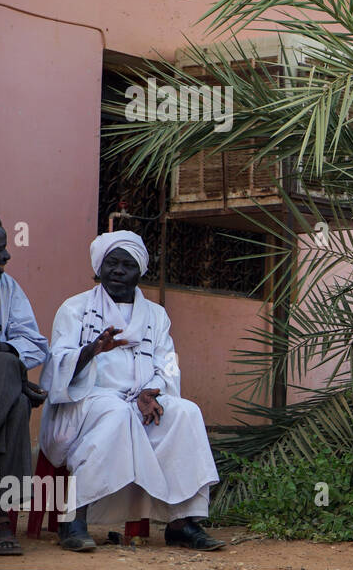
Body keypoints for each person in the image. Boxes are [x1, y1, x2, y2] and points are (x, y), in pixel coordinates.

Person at [40, 231, 222, 552]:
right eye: (112, 263)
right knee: (115, 412)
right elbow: (57, 365)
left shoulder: (156, 316)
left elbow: (167, 365)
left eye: (128, 265)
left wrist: (152, 391)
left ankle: (182, 523)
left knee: (186, 413)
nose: (119, 271)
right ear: (99, 267)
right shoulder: (75, 308)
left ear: (140, 272)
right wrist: (91, 351)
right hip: (85, 403)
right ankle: (73, 519)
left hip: (142, 402)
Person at [0, 211, 49, 555]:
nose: (7, 255)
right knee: (15, 395)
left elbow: (36, 344)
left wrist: (7, 348)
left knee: (8, 373)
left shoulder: (7, 286)